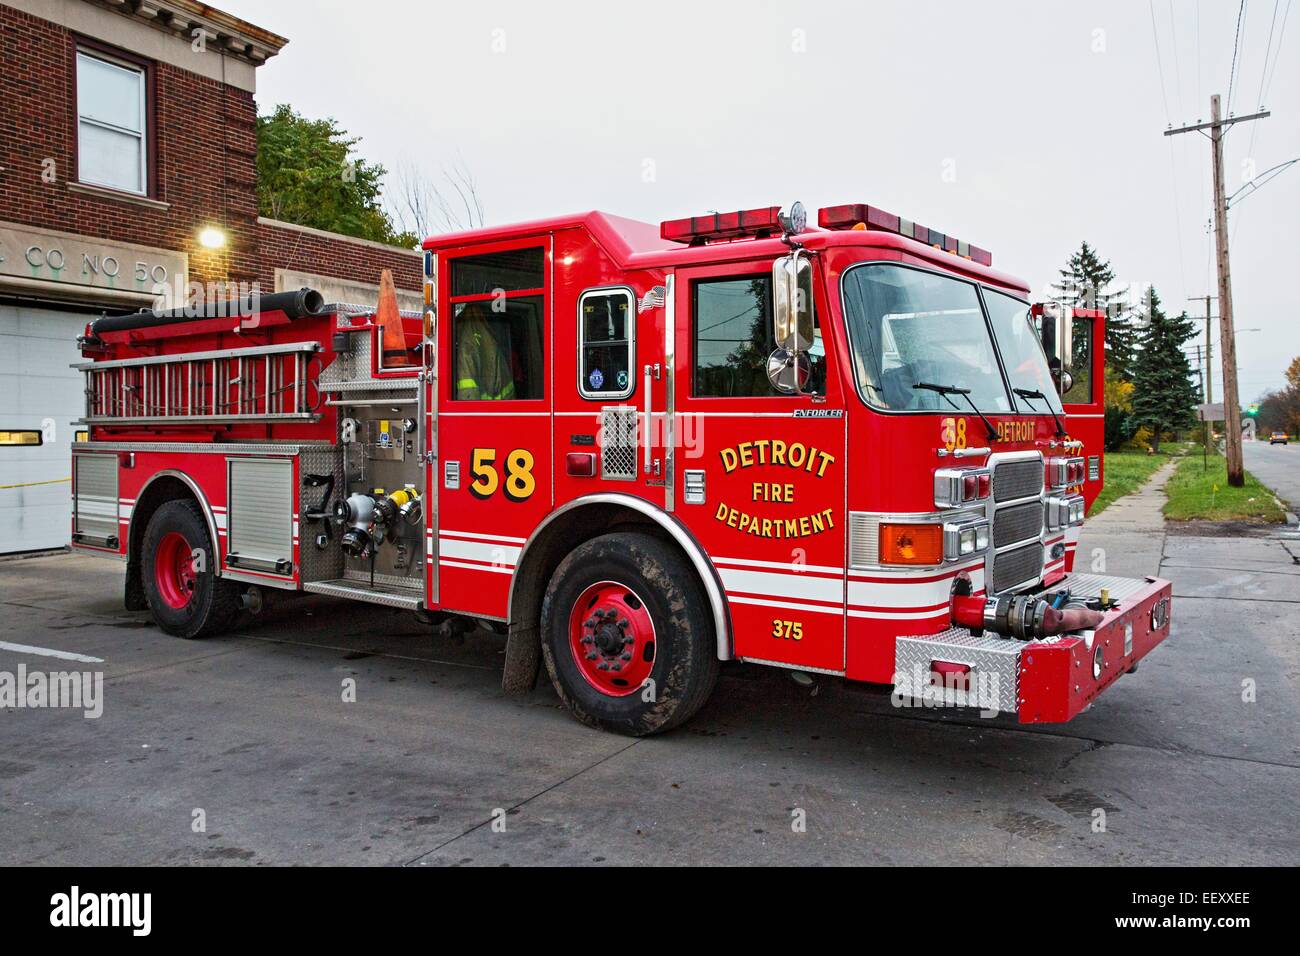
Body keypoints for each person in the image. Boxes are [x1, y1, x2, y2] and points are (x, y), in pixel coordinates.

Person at [454, 303, 516, 401]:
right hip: (503, 409)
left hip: (483, 411)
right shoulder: (490, 339)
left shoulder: (466, 343)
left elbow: (467, 393)